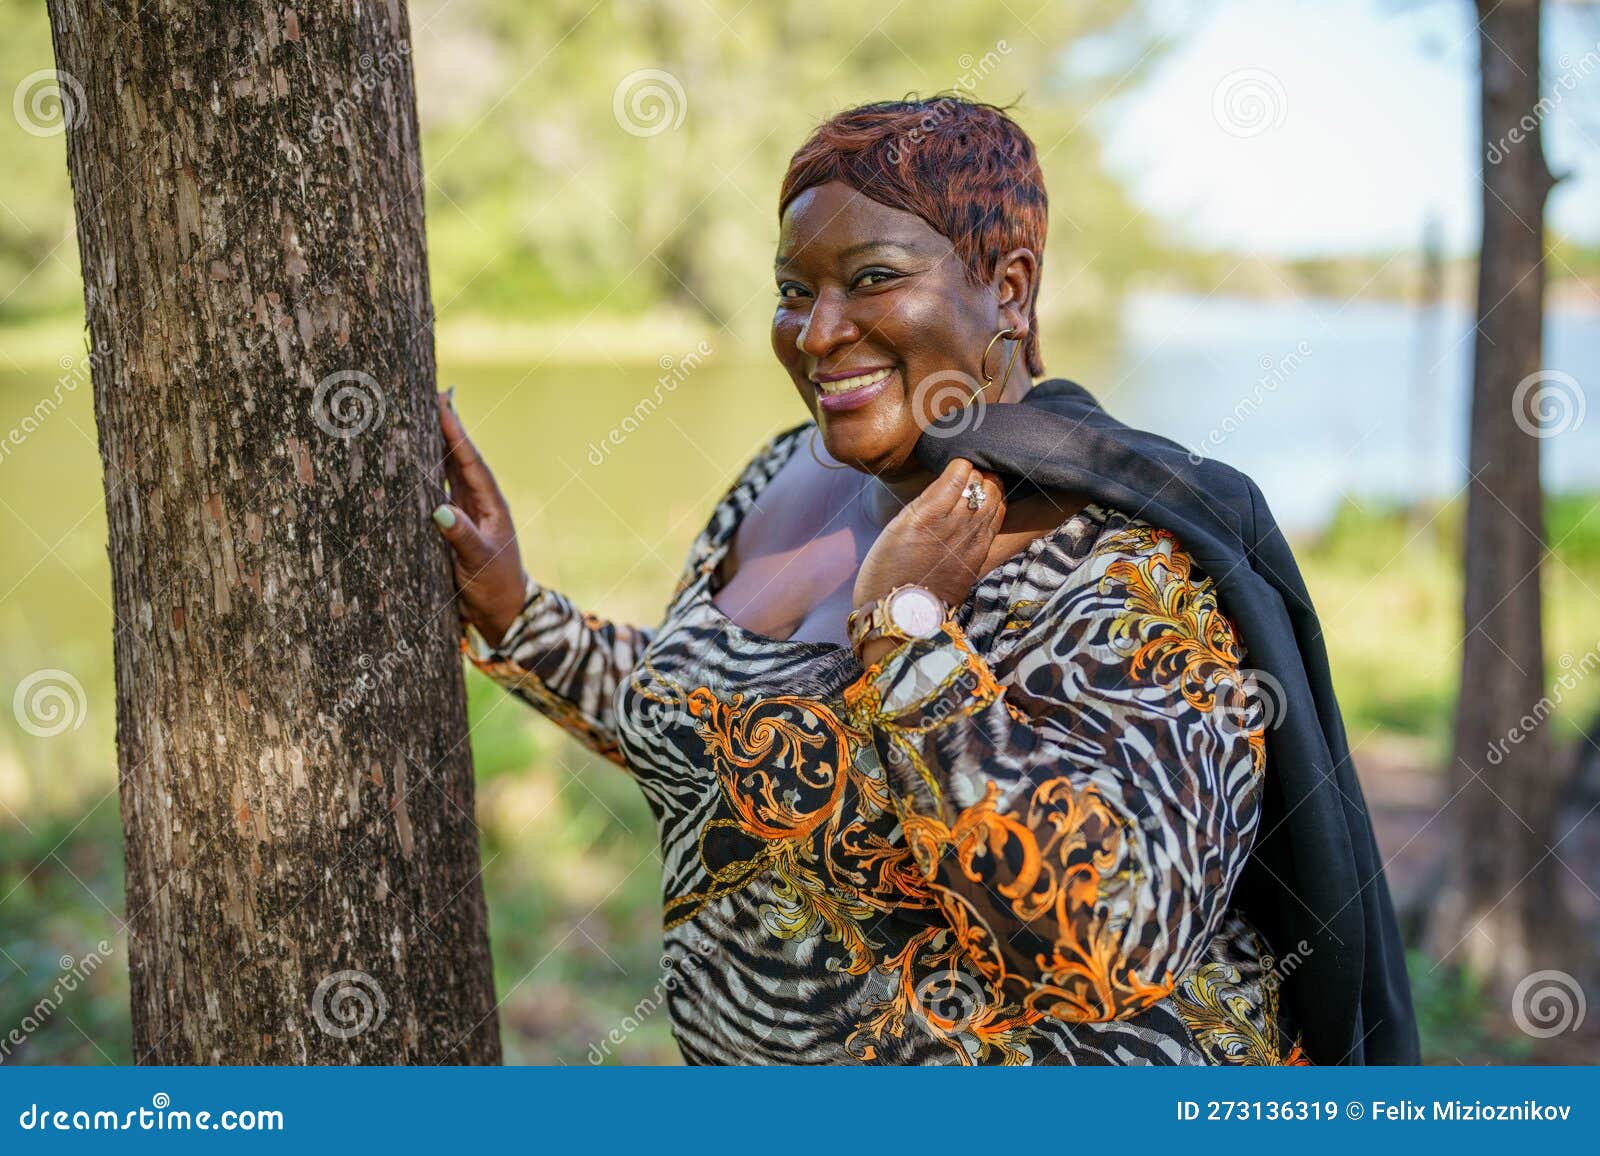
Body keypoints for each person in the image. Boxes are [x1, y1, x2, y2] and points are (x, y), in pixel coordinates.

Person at [429, 96, 1417, 1065]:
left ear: (1012, 290)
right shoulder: (787, 476)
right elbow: (722, 724)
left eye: (870, 278)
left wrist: (907, 639)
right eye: (792, 290)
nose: (817, 332)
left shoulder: (1130, 557)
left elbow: (1115, 940)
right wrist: (519, 615)